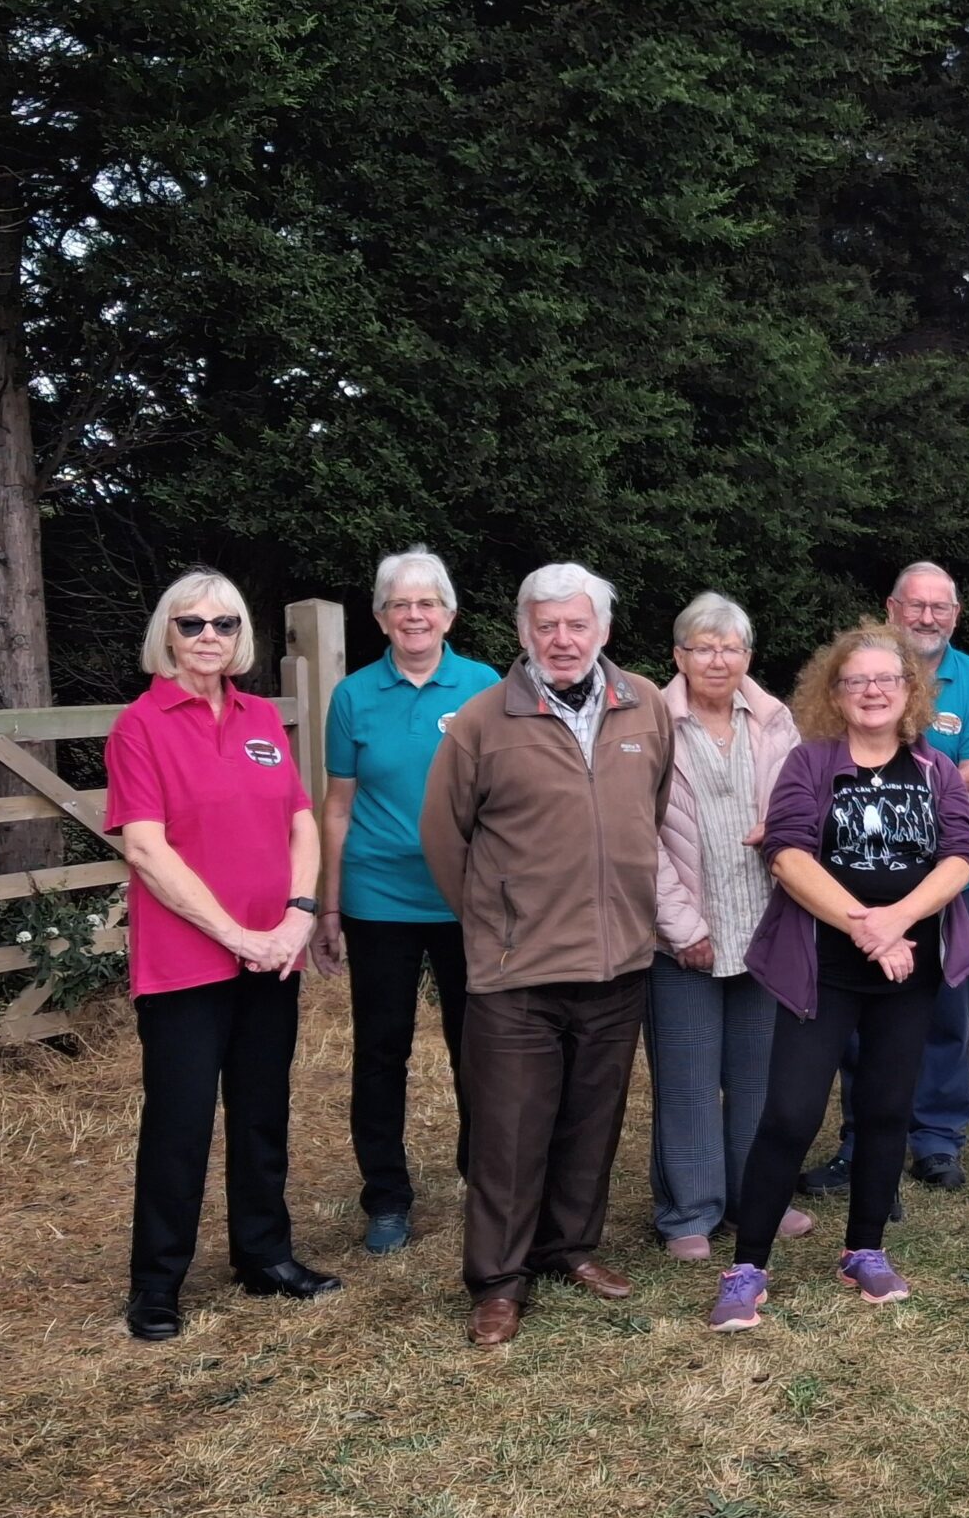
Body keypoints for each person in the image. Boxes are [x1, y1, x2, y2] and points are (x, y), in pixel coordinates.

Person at [420, 562, 675, 1347]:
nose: (562, 639)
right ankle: (499, 1280)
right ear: (523, 630)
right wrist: (497, 922)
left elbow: (654, 809)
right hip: (516, 971)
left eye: (577, 624)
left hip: (619, 961)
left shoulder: (645, 704)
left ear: (602, 629)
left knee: (592, 1120)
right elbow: (442, 836)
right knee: (509, 1129)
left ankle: (571, 1248)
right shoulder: (481, 722)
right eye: (547, 625)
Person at [712, 627, 969, 1326]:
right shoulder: (810, 762)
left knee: (887, 1110)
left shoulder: (934, 770)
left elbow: (958, 856)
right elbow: (787, 852)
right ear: (835, 693)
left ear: (908, 692)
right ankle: (747, 1265)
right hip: (822, 970)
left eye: (886, 680)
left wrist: (897, 923)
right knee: (791, 1114)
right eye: (856, 680)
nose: (872, 691)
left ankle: (864, 1247)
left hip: (906, 972)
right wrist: (867, 924)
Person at [106, 570, 340, 1340]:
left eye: (226, 623)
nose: (210, 635)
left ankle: (264, 1255)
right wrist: (236, 934)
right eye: (192, 622)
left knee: (263, 1109)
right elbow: (145, 845)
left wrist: (299, 915)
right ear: (165, 634)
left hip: (274, 953)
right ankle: (157, 1283)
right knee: (179, 1122)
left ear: (244, 636)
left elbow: (302, 820)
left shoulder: (259, 718)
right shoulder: (141, 725)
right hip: (187, 964)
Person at [313, 548, 501, 1255]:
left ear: (449, 613)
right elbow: (337, 807)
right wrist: (328, 906)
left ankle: (484, 1174)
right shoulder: (354, 695)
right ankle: (387, 1196)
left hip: (464, 898)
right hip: (378, 897)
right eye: (400, 603)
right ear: (381, 617)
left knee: (477, 1046)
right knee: (381, 1049)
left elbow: (503, 798)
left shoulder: (483, 685)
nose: (414, 615)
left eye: (427, 603)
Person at [801, 563, 969, 1196]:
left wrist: (897, 783)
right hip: (860, 879)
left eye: (939, 608)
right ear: (891, 609)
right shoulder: (860, 674)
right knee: (860, 1013)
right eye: (915, 606)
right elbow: (833, 757)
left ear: (955, 614)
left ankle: (937, 1141)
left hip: (951, 878)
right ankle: (860, 1143)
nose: (926, 618)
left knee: (946, 1006)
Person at [647, 592, 809, 1260]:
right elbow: (636, 833)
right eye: (704, 647)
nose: (719, 659)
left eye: (732, 647)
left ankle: (756, 1197)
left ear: (748, 655)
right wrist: (681, 925)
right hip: (680, 928)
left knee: (759, 1077)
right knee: (686, 1077)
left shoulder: (775, 719)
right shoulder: (650, 723)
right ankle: (689, 1211)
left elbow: (806, 802)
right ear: (679, 655)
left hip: (764, 923)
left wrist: (786, 828)